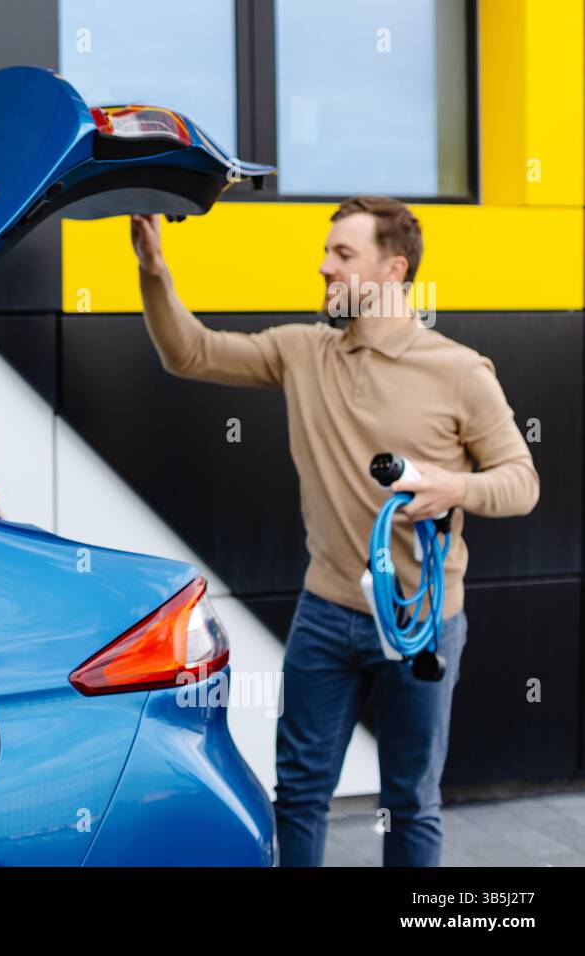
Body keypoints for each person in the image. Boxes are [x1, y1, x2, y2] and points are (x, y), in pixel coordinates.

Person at [130, 196, 539, 866]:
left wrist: (452, 487)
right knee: (299, 793)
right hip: (325, 615)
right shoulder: (302, 351)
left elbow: (522, 483)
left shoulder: (460, 372)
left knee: (411, 801)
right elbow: (190, 352)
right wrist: (153, 268)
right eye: (325, 254)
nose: (323, 268)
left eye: (342, 255)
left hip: (423, 622)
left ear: (393, 268)